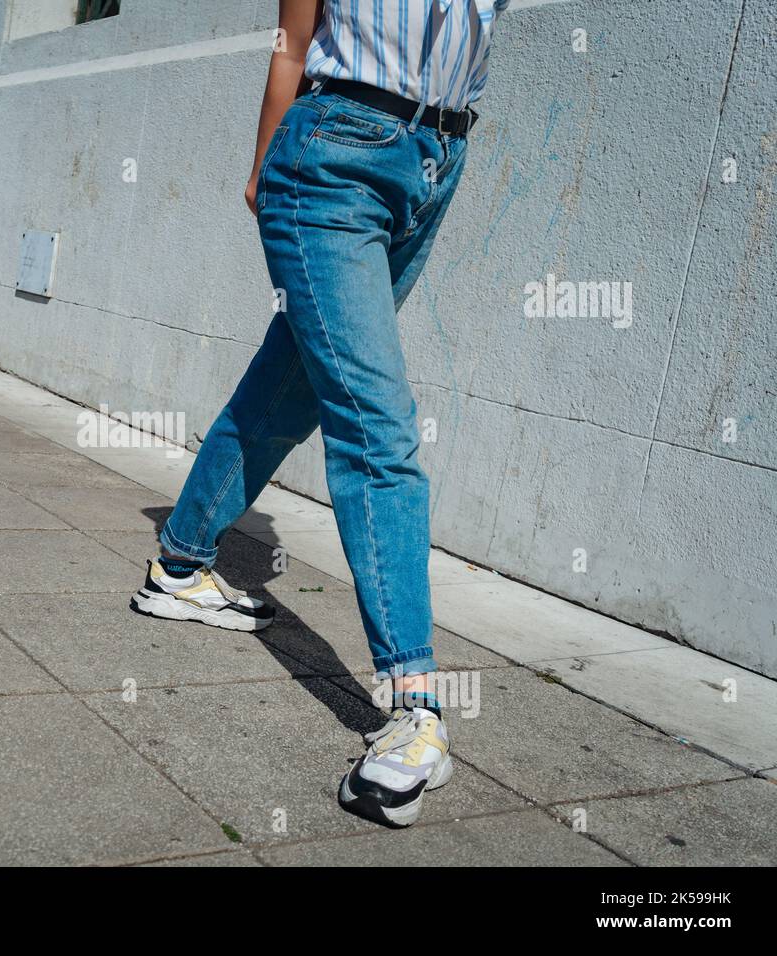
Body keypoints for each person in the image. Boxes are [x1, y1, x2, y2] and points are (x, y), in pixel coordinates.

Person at [130, 0, 512, 827]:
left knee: (294, 381)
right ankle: (416, 707)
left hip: (439, 156)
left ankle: (180, 564)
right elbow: (293, 42)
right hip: (334, 153)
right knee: (377, 426)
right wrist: (264, 167)